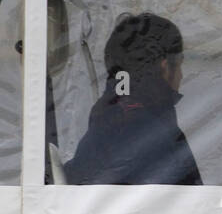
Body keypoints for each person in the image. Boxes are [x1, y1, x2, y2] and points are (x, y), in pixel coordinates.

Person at [63, 12, 202, 186]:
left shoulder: (112, 115)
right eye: (180, 65)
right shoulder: (145, 131)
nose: (182, 76)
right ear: (165, 67)